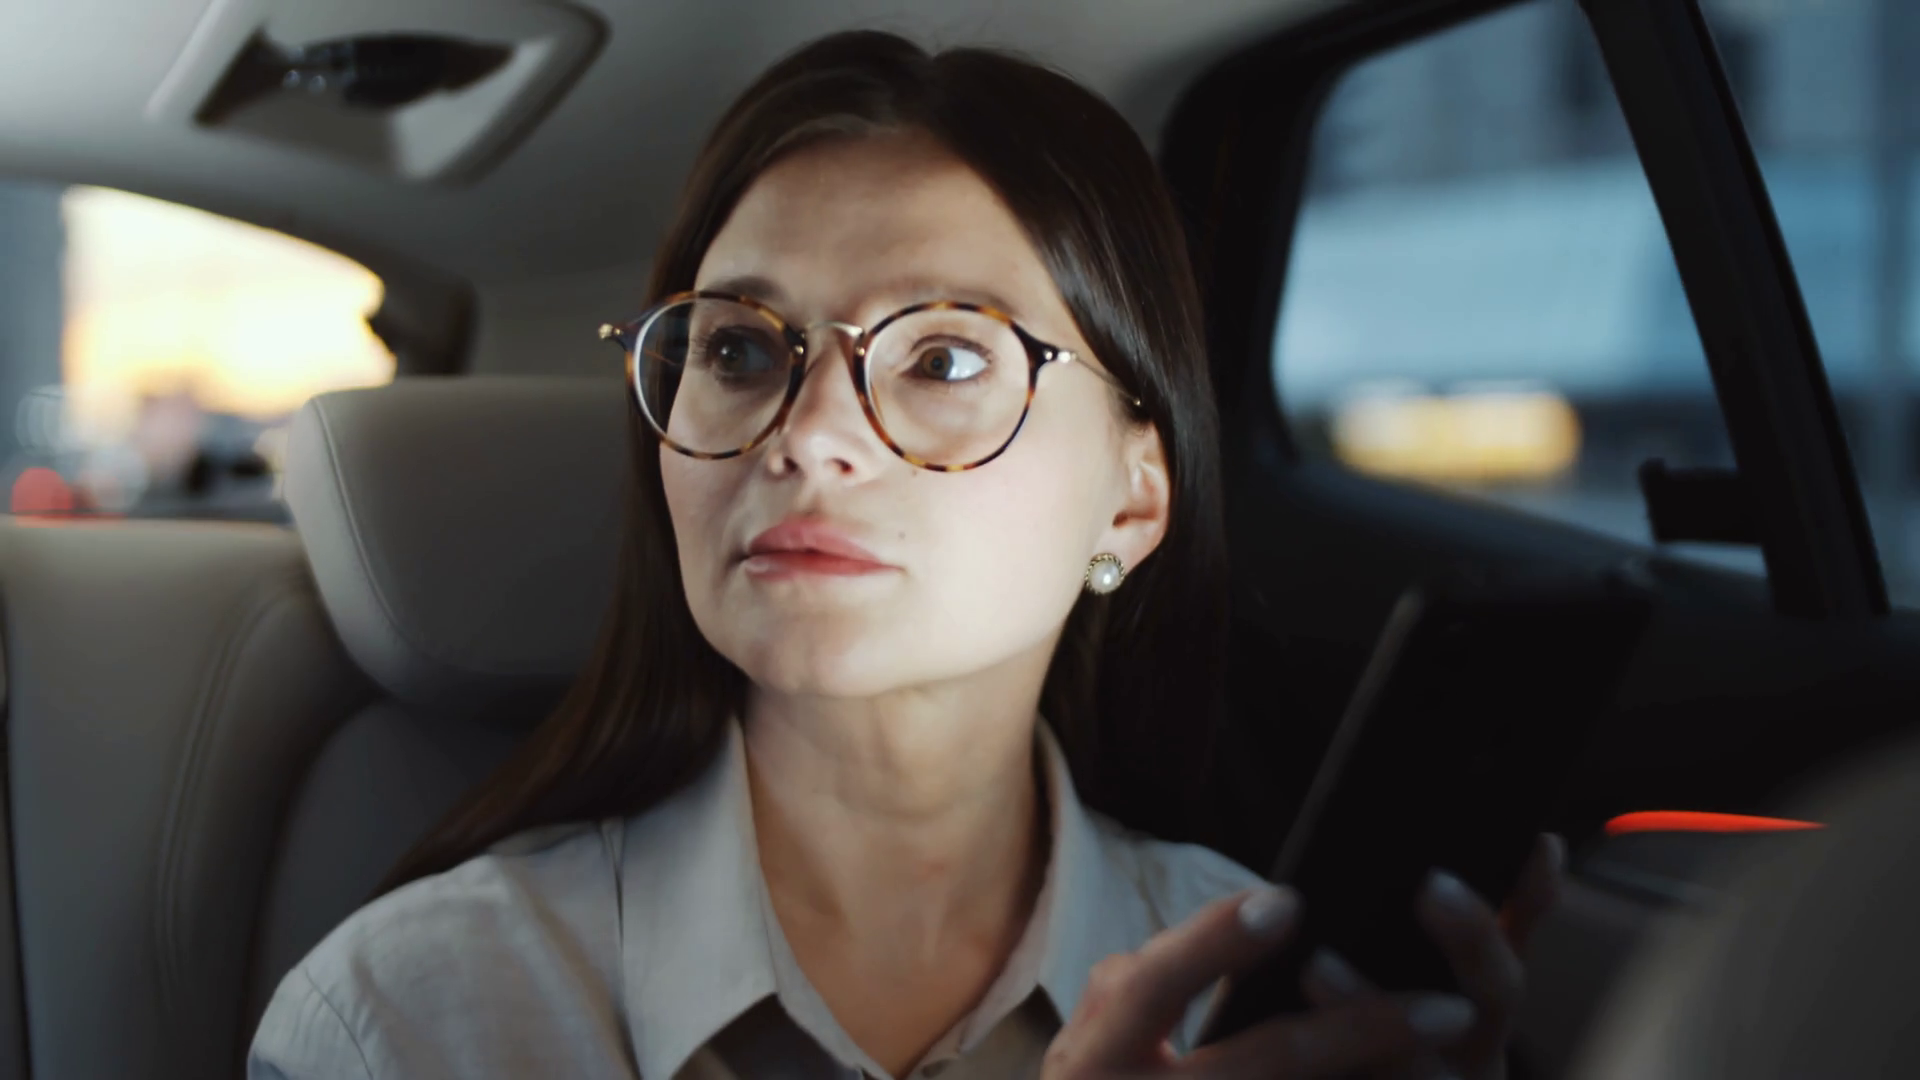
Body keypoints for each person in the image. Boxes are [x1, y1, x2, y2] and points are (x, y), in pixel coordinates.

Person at [248, 29, 1562, 1080]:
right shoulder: (409, 1022)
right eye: (740, 351)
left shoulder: (1266, 1004)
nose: (809, 438)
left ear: (1134, 498)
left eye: (942, 358)